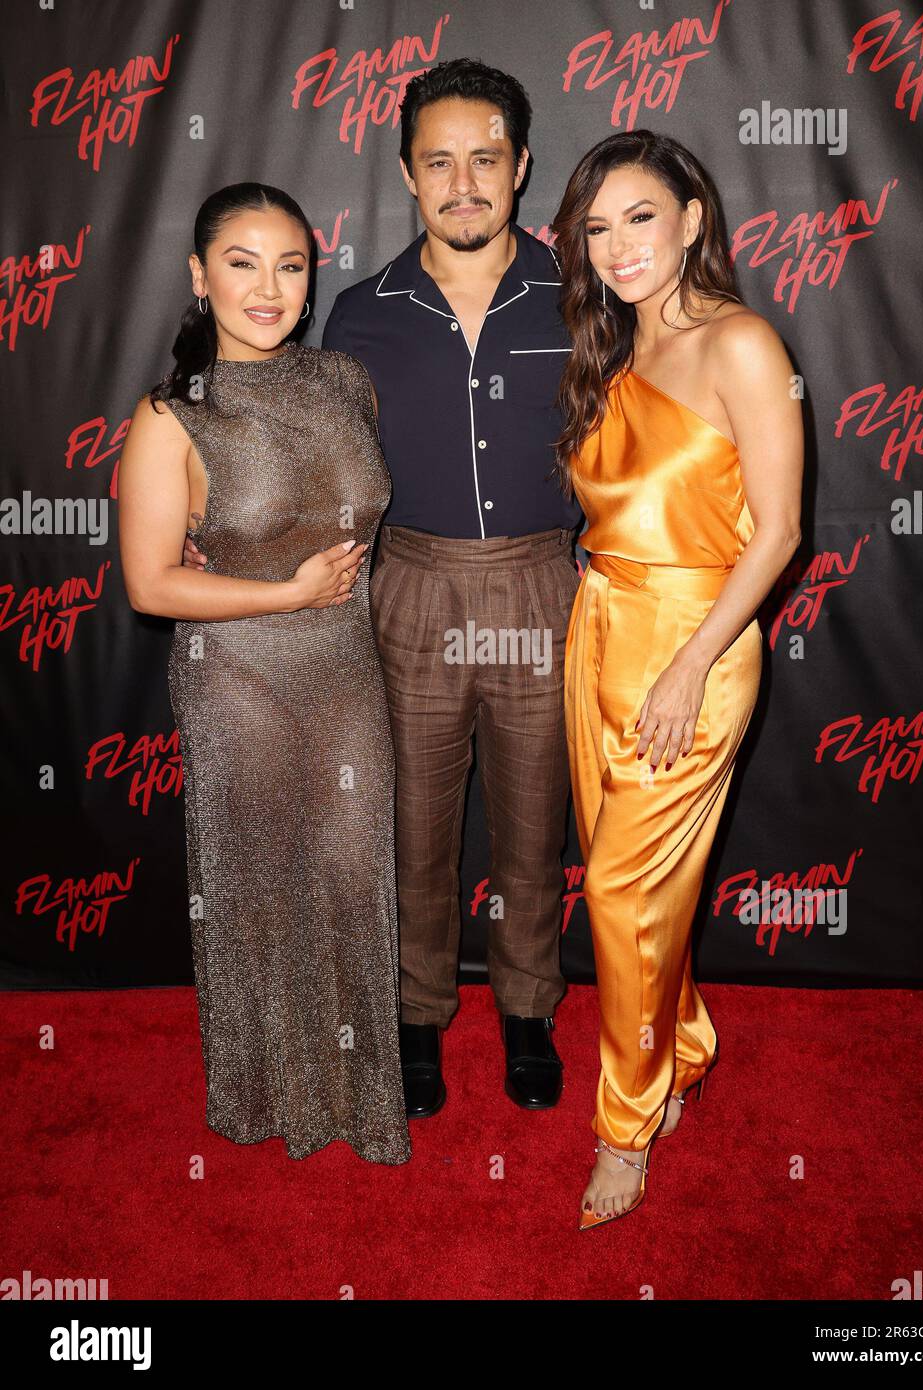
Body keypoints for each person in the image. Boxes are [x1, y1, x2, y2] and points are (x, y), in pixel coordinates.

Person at [186, 60, 583, 1118]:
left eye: (485, 160)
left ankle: (528, 1012)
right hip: (409, 587)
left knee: (534, 822)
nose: (464, 182)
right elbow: (310, 454)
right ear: (407, 174)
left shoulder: (577, 293)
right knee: (407, 820)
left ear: (520, 169)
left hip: (544, 584)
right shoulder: (360, 314)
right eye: (439, 161)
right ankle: (415, 1016)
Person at [118, 183, 411, 1164]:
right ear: (200, 276)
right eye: (241, 263)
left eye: (290, 265)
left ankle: (358, 1092)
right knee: (257, 882)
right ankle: (266, 1091)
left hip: (345, 668)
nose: (268, 286)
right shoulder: (173, 418)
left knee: (350, 868)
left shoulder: (343, 381)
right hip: (237, 671)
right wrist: (284, 594)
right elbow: (151, 582)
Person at [552, 132, 803, 1228]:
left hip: (692, 643)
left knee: (617, 889)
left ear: (693, 217)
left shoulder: (741, 342)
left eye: (639, 217)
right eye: (596, 229)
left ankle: (627, 1124)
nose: (616, 247)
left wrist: (689, 663)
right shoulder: (612, 349)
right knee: (632, 885)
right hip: (598, 624)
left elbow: (782, 530)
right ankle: (682, 1041)